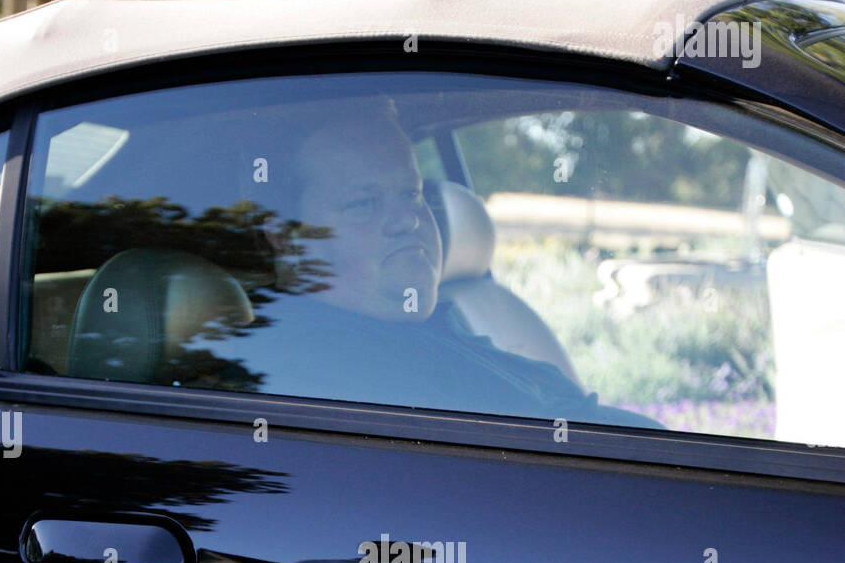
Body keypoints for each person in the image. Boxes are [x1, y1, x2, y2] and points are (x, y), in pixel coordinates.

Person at [252, 97, 658, 427]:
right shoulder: (324, 380)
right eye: (364, 204)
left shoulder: (430, 326)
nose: (408, 219)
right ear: (287, 241)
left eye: (412, 194)